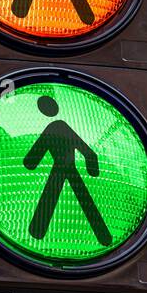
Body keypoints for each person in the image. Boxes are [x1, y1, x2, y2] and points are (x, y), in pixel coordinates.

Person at [24, 95, 112, 246]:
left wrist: (31, 162)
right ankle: (104, 236)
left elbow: (35, 154)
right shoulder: (60, 127)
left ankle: (36, 232)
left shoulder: (55, 127)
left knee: (51, 197)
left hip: (61, 168)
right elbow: (86, 150)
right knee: (84, 199)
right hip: (69, 168)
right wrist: (92, 166)